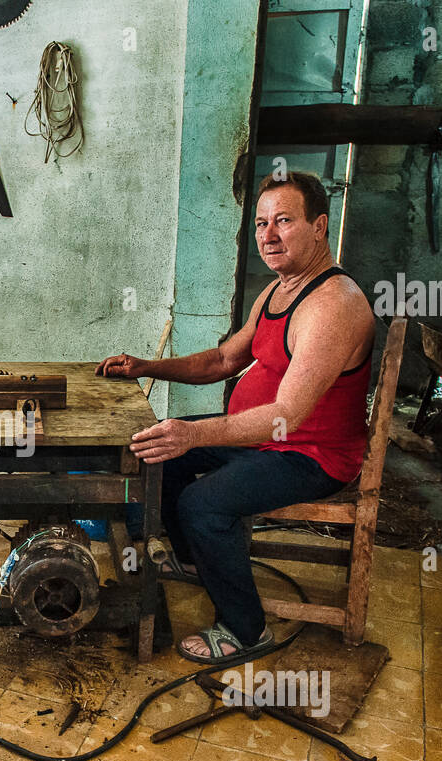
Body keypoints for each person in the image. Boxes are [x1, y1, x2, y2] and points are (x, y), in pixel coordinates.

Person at [96, 171, 376, 661]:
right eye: (262, 223)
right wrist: (146, 366)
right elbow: (223, 361)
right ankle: (189, 558)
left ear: (319, 226)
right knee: (150, 450)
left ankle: (246, 631)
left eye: (284, 221)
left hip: (312, 454)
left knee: (204, 502)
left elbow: (287, 415)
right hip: (262, 439)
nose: (268, 236)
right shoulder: (277, 292)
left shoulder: (333, 305)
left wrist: (193, 432)